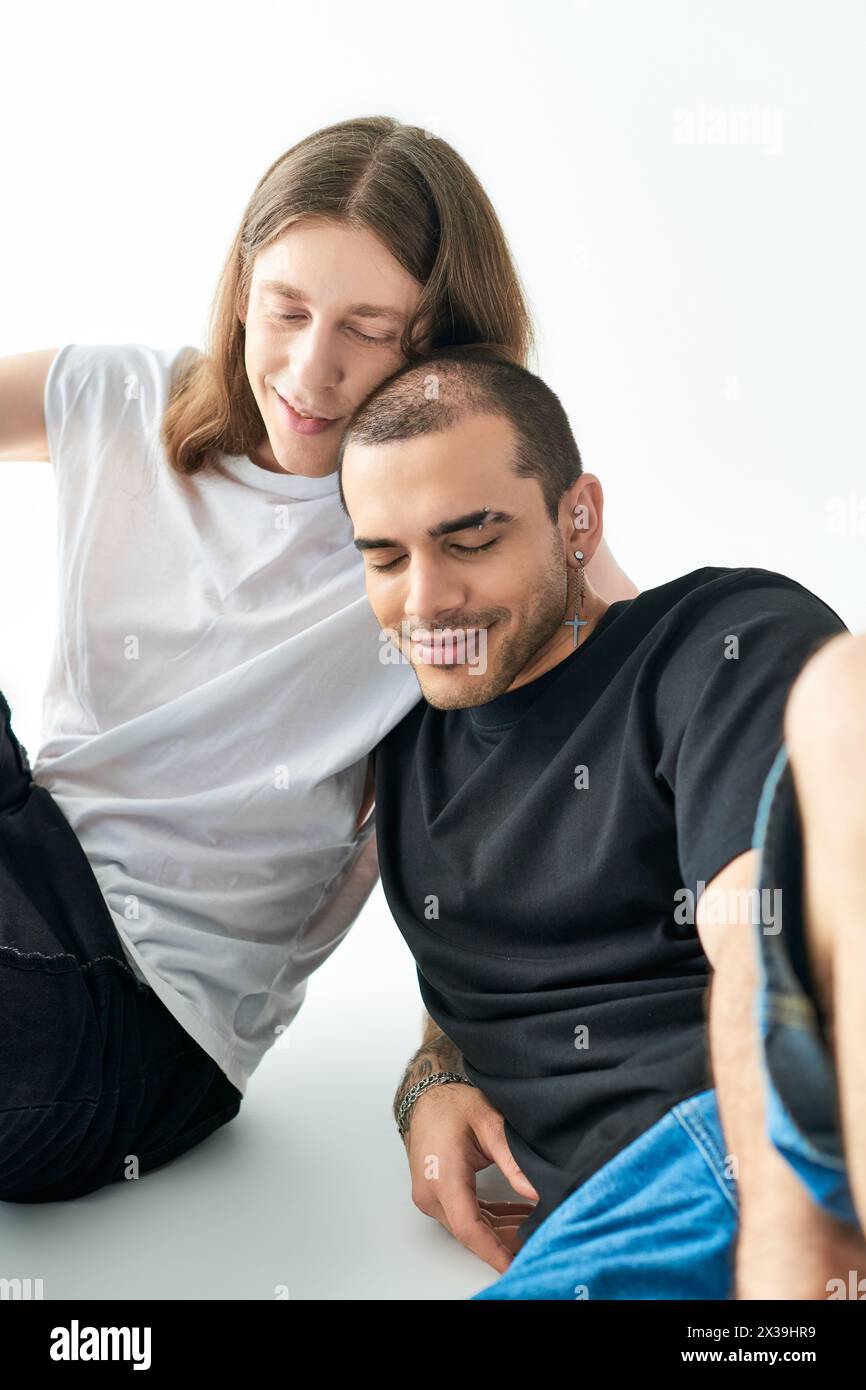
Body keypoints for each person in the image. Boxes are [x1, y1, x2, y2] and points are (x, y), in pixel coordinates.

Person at [0, 115, 639, 1203]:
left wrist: (443, 1060)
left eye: (368, 328)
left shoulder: (459, 539)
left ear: (436, 340)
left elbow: (632, 723)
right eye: (286, 309)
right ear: (242, 285)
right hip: (30, 859)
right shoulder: (123, 397)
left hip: (142, 1018)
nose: (309, 368)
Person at [337, 343, 866, 1299]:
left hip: (741, 1149)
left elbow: (763, 942)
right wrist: (428, 1081)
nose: (425, 601)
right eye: (384, 555)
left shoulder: (717, 641)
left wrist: (788, 1253)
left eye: (470, 540)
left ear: (577, 518)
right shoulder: (403, 751)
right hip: (591, 1231)